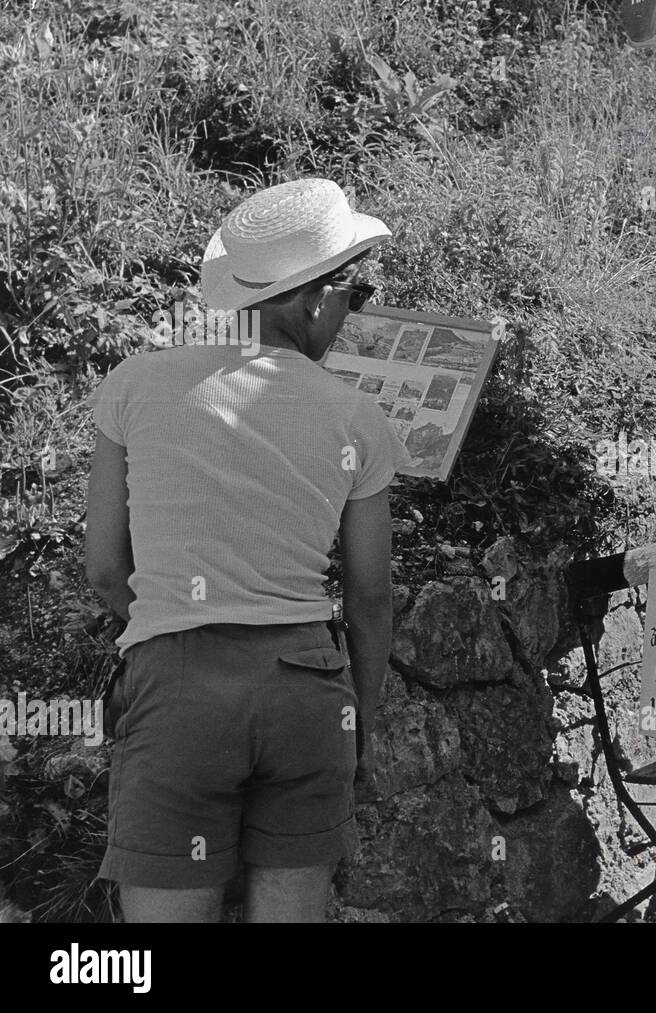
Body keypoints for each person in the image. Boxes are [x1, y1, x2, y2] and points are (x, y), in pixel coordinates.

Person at [84, 178, 410, 922]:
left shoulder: (134, 386)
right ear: (313, 299)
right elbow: (368, 597)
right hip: (306, 693)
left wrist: (175, 626)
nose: (349, 315)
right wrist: (362, 718)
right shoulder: (355, 415)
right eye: (351, 296)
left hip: (178, 692)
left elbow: (105, 566)